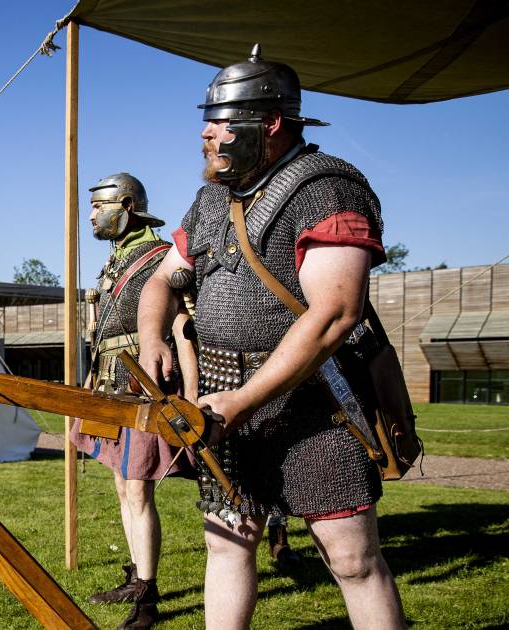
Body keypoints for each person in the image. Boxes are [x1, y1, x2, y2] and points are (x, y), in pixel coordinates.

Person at [136, 45, 405, 629]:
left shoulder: (328, 188)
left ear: (270, 123)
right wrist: (150, 335)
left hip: (316, 403)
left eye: (220, 123)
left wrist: (241, 401)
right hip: (221, 398)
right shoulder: (212, 200)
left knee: (353, 559)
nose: (206, 135)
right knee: (228, 542)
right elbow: (161, 278)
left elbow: (336, 313)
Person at [69, 173, 196, 630]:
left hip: (144, 384)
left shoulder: (159, 257)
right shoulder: (116, 259)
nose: (90, 215)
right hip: (109, 383)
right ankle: (138, 572)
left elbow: (183, 326)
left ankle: (147, 594)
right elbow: (102, 336)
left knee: (138, 487)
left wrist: (192, 396)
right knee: (124, 486)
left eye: (97, 206)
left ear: (125, 206)